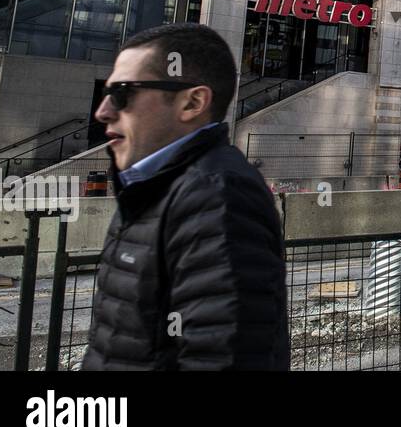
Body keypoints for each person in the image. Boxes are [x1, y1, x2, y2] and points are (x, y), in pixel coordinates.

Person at [83, 23, 288, 370]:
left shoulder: (216, 194)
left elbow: (220, 356)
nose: (102, 111)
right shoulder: (149, 185)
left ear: (193, 102)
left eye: (122, 94)